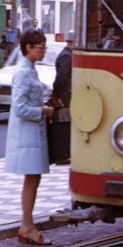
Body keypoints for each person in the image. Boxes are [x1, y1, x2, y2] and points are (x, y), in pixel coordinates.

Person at [5, 29, 56, 245]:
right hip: (27, 134)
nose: (44, 51)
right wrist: (43, 111)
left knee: (34, 179)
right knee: (31, 179)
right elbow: (20, 107)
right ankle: (27, 226)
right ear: (29, 47)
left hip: (33, 133)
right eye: (41, 47)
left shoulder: (30, 69)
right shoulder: (23, 72)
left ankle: (28, 225)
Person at [48, 31, 73, 165]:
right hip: (65, 96)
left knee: (66, 124)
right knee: (63, 124)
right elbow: (62, 78)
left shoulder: (68, 55)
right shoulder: (66, 57)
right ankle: (62, 154)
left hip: (65, 94)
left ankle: (64, 153)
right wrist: (56, 95)